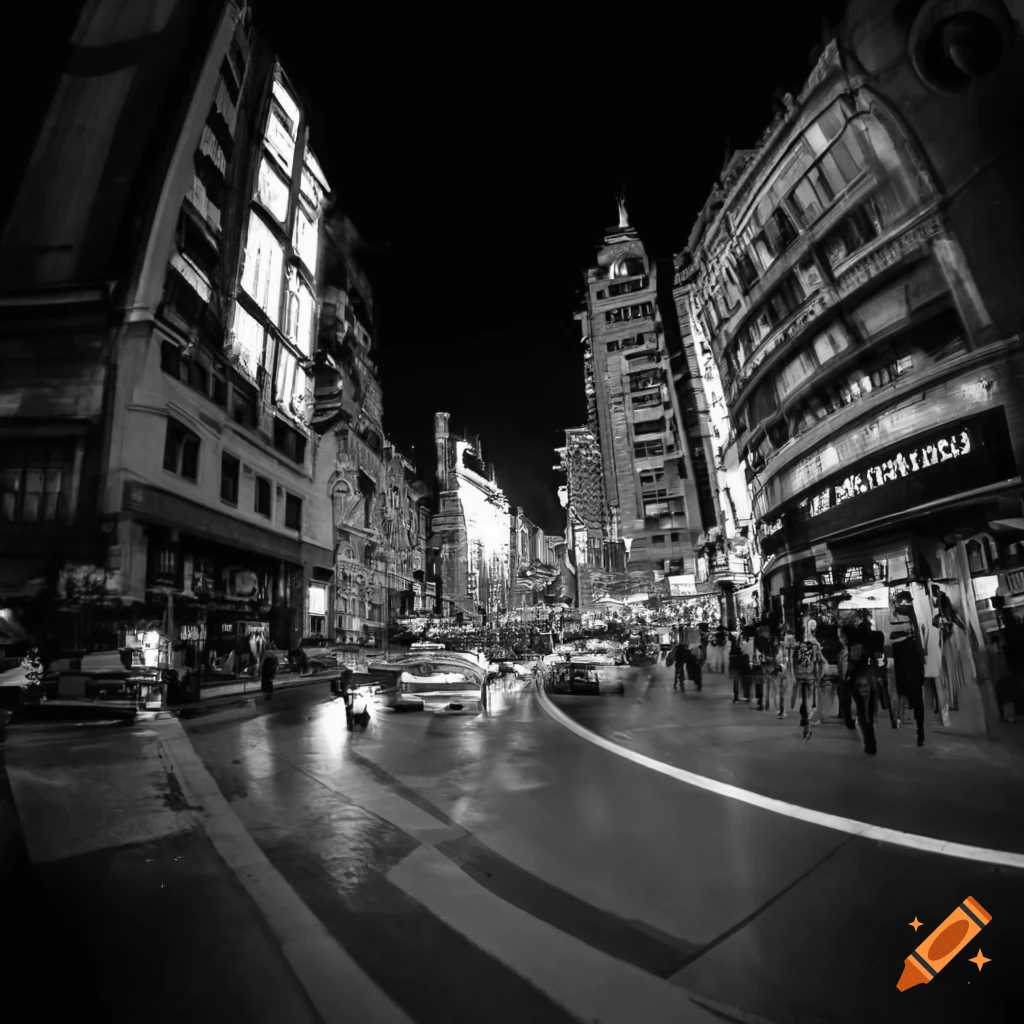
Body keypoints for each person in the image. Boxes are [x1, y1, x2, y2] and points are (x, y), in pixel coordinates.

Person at [841, 615, 881, 755]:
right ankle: (871, 742)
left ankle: (870, 743)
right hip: (870, 676)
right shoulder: (868, 643)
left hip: (860, 678)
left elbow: (853, 663)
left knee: (863, 712)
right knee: (868, 711)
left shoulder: (854, 646)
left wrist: (848, 678)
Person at [790, 619, 826, 740]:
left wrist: (795, 675)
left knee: (804, 699)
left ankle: (804, 720)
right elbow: (820, 661)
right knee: (808, 700)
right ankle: (807, 726)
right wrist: (820, 675)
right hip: (810, 675)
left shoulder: (797, 645)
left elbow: (793, 661)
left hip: (800, 675)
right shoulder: (814, 644)